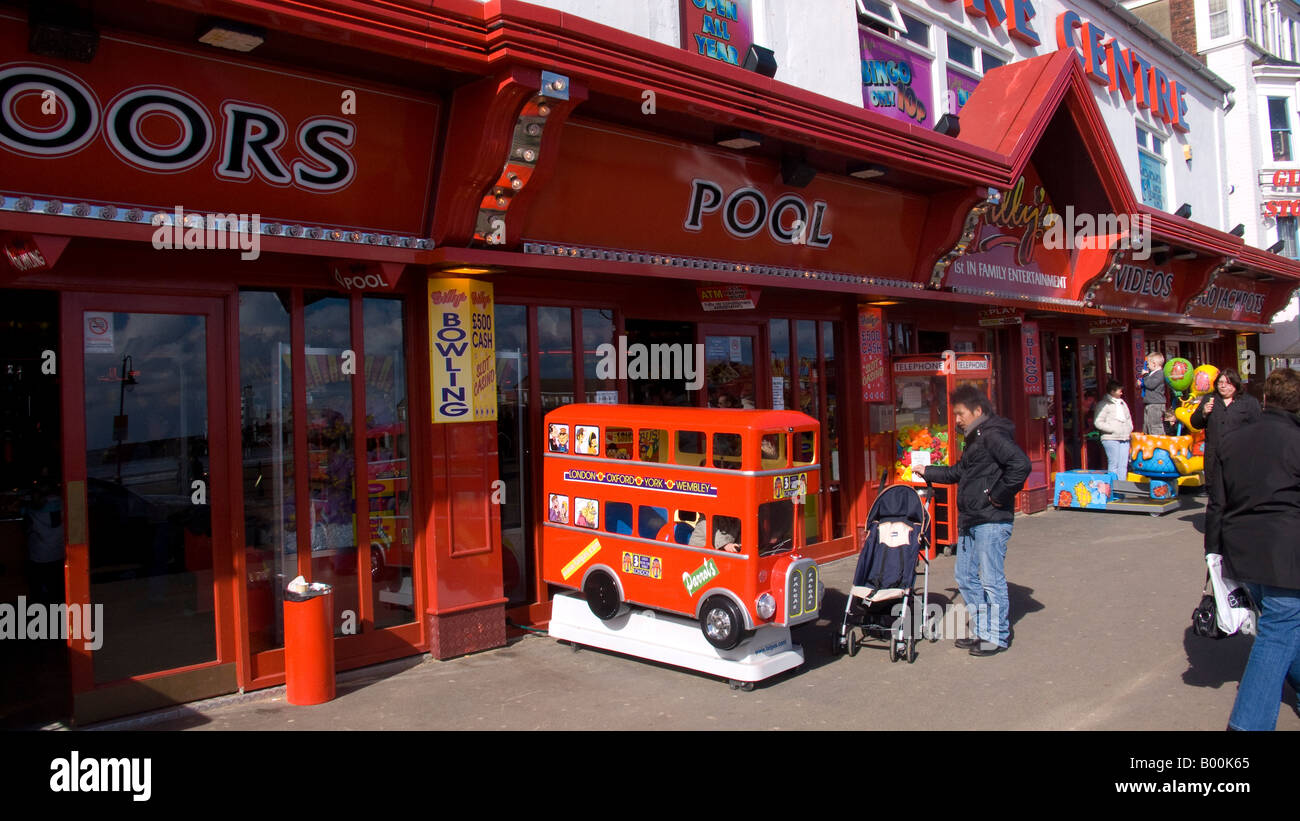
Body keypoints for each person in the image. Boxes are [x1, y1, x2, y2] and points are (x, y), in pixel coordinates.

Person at [915, 385, 1029, 656]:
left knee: (991, 579)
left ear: (978, 411)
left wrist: (997, 497)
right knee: (965, 576)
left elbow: (1021, 465)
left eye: (959, 414)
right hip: (972, 518)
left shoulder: (993, 436)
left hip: (991, 519)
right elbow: (958, 472)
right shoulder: (976, 438)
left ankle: (997, 635)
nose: (956, 420)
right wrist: (927, 471)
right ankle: (983, 630)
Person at [1219, 368, 1300, 730]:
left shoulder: (1234, 440)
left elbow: (1217, 502)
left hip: (1242, 548)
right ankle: (1247, 725)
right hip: (1285, 553)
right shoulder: (1296, 440)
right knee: (1277, 634)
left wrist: (1213, 552)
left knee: (1286, 627)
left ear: (1265, 399)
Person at [1190, 368, 1260, 556]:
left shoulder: (1249, 403)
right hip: (1214, 457)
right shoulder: (1210, 400)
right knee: (1215, 498)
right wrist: (1203, 413)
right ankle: (1215, 541)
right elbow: (1195, 422)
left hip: (1240, 459)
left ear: (1236, 385)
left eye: (1227, 383)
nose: (1223, 386)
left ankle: (1238, 532)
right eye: (1220, 382)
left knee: (1238, 496)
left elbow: (1258, 429)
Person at [1092, 379, 1134, 481]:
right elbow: (1098, 422)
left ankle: (1122, 488)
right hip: (1110, 438)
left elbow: (1128, 418)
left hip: (1124, 437)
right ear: (1112, 391)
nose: (1121, 392)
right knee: (1114, 463)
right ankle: (1113, 488)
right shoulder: (1103, 404)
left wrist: (1129, 428)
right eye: (1119, 390)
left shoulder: (1122, 403)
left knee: (1123, 465)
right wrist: (1112, 429)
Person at [1140, 351, 1168, 435]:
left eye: (1148, 364)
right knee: (1147, 425)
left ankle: (1158, 442)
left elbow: (1151, 384)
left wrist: (1145, 375)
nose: (1147, 367)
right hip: (1150, 403)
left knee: (1155, 426)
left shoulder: (1160, 374)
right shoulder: (1152, 374)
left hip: (1156, 404)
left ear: (1154, 364)